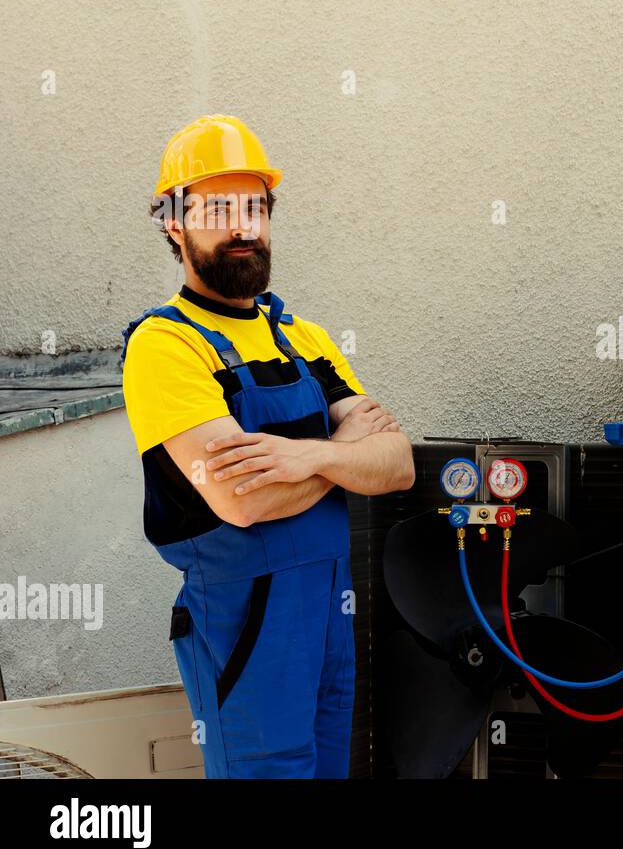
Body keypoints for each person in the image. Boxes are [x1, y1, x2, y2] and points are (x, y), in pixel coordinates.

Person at [121, 114, 415, 778]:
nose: (243, 225)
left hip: (330, 618)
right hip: (244, 629)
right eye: (219, 208)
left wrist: (309, 456)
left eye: (255, 206)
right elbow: (242, 498)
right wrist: (346, 455)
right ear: (174, 223)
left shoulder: (302, 336)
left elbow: (396, 466)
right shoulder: (165, 346)